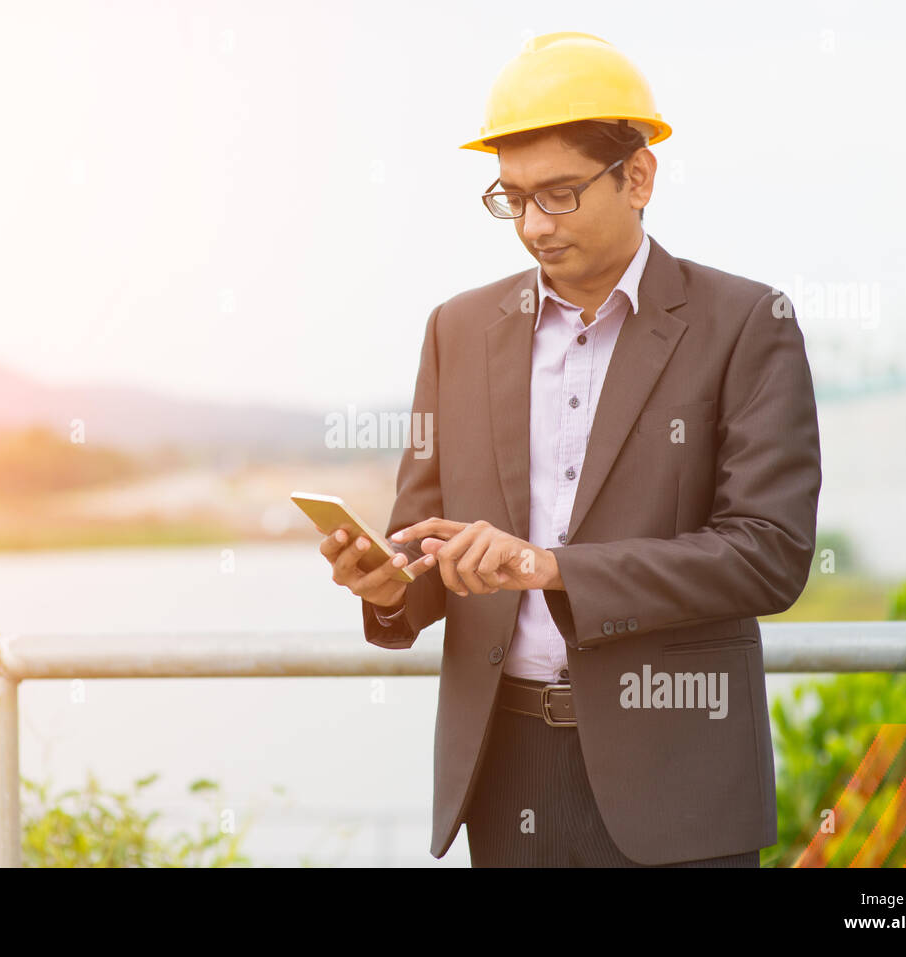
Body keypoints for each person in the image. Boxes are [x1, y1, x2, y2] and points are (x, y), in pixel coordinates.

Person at [319, 32, 821, 867]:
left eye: (557, 195)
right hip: (505, 770)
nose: (531, 227)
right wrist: (388, 583)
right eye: (511, 199)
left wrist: (553, 569)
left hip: (680, 776)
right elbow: (422, 539)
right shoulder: (457, 329)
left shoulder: (745, 323)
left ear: (639, 176)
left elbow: (769, 556)